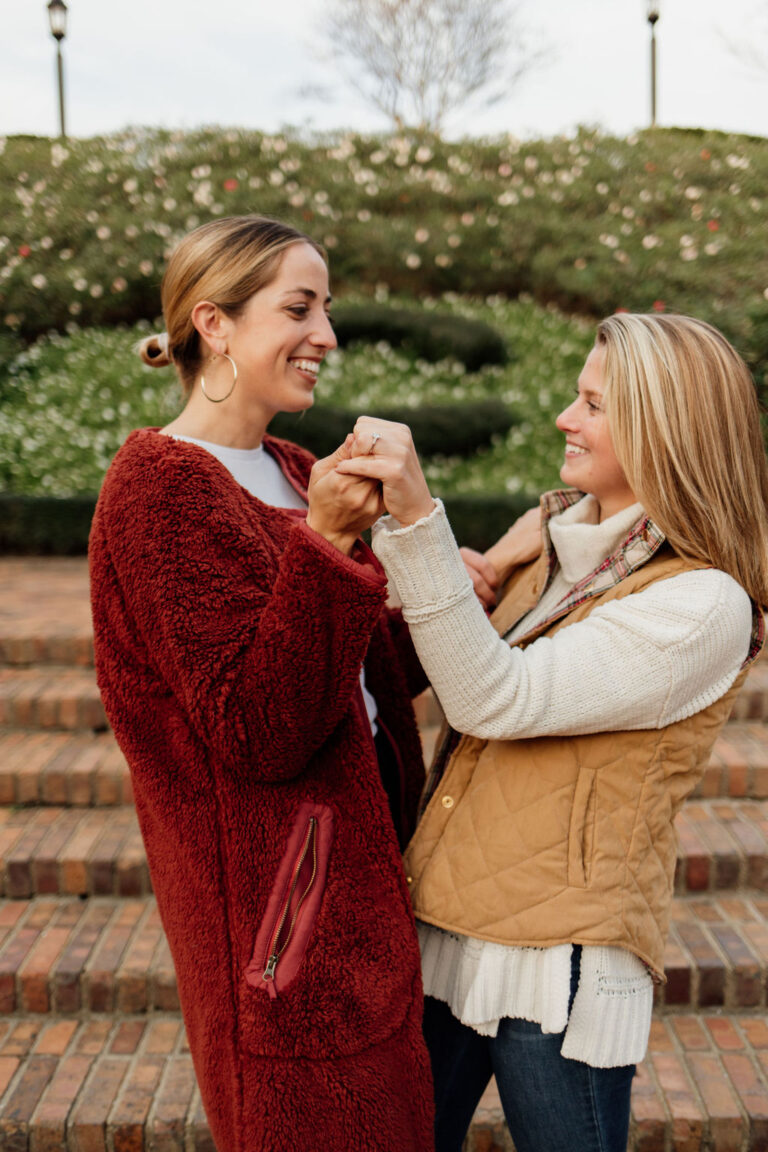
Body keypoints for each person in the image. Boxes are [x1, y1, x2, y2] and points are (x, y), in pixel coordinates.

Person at [334, 312, 768, 1152]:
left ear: (663, 426)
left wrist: (423, 527)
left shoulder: (702, 603)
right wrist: (468, 571)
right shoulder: (568, 542)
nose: (566, 420)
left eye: (594, 404)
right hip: (449, 917)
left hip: (557, 966)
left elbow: (496, 700)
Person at [88, 215, 435, 1152]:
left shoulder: (290, 468)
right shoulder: (159, 488)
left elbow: (363, 669)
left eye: (326, 307)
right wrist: (325, 545)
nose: (327, 334)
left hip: (361, 909)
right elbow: (257, 728)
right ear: (215, 323)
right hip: (281, 948)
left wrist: (467, 576)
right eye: (300, 307)